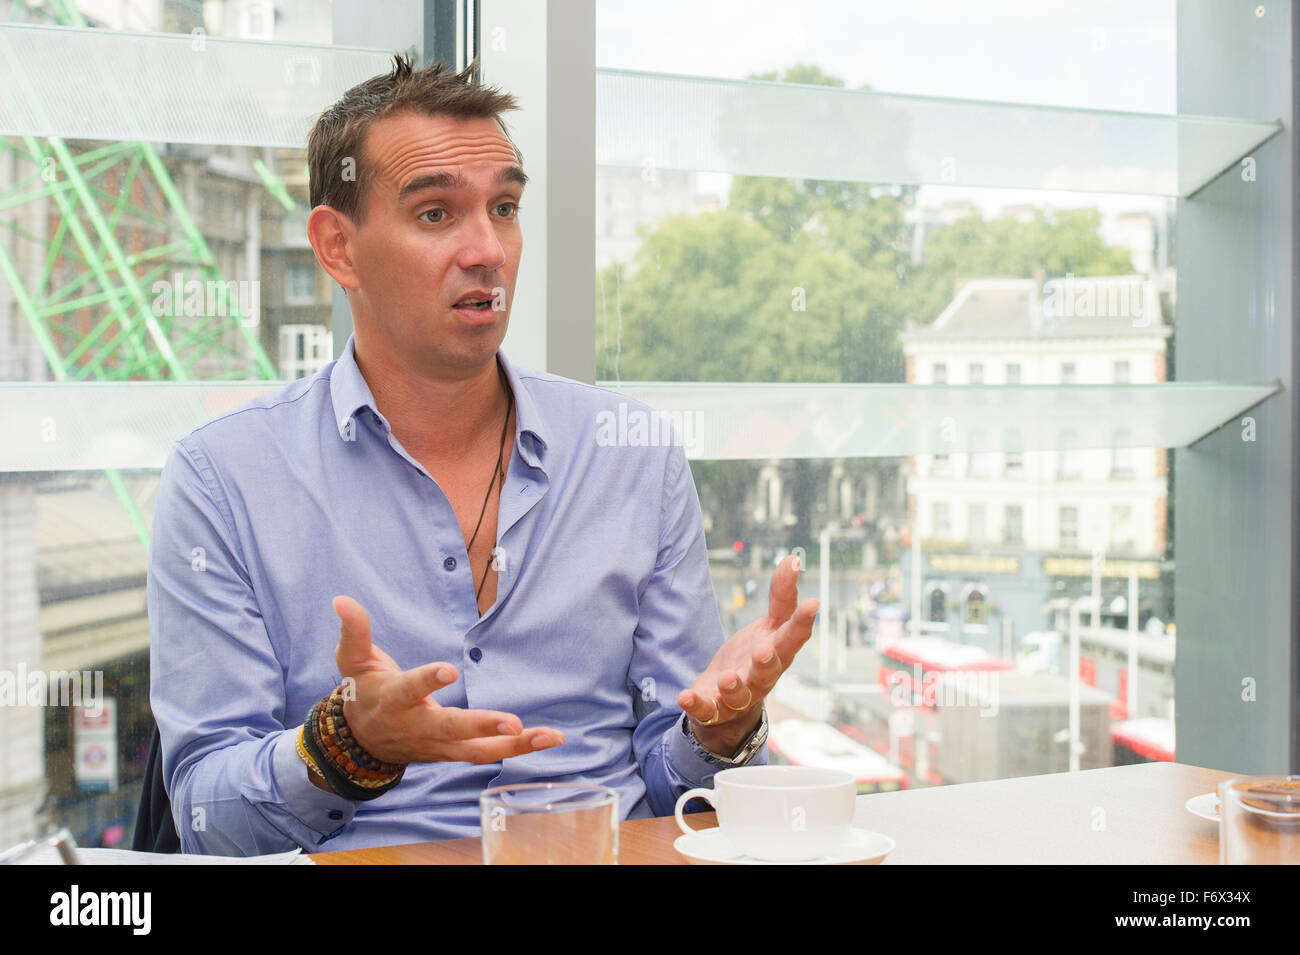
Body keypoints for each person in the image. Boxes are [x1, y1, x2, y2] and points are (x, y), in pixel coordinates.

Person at [147, 55, 818, 855]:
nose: (488, 249)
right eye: (436, 215)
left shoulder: (633, 456)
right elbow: (203, 819)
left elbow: (679, 792)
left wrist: (725, 728)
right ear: (338, 247)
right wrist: (343, 746)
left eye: (503, 207)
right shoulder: (224, 478)